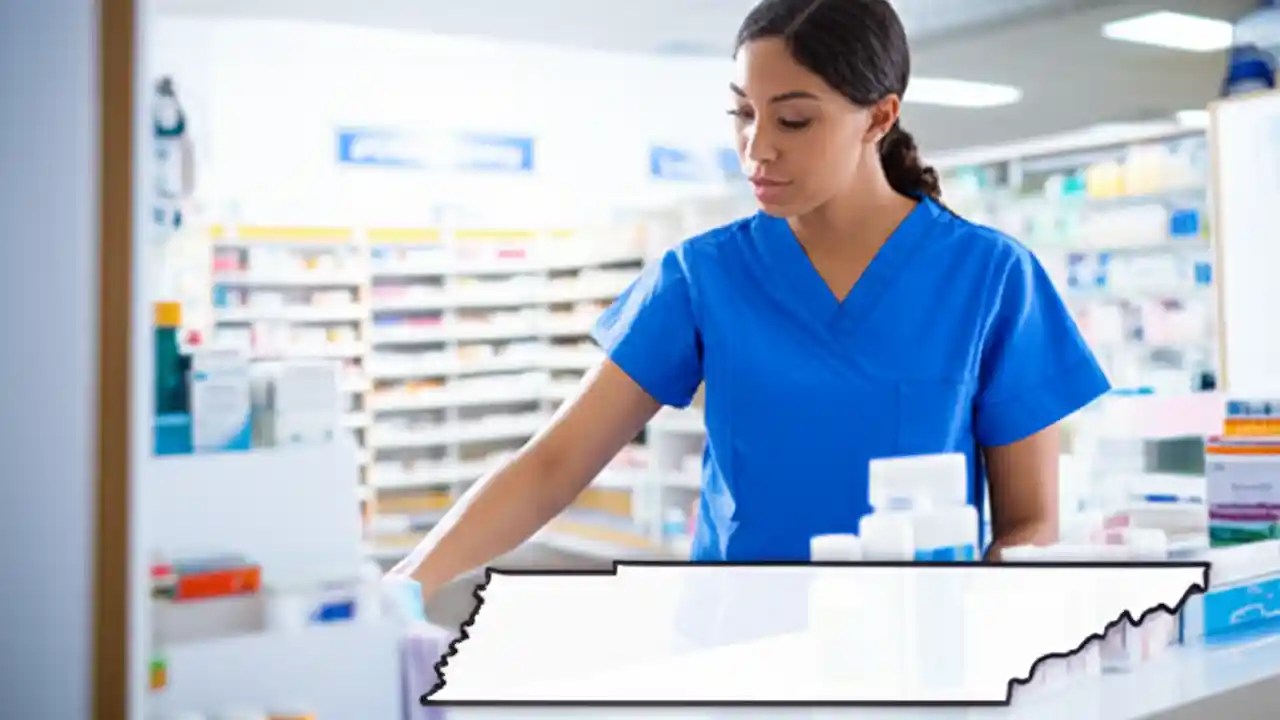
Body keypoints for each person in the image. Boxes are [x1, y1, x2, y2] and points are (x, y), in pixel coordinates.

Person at [388, 0, 1110, 601]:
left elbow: (1029, 522)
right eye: (742, 114)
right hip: (736, 655)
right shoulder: (703, 277)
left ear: (879, 117)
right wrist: (400, 590)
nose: (757, 148)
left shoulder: (989, 279)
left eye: (793, 120)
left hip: (916, 659)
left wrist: (969, 644)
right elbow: (550, 468)